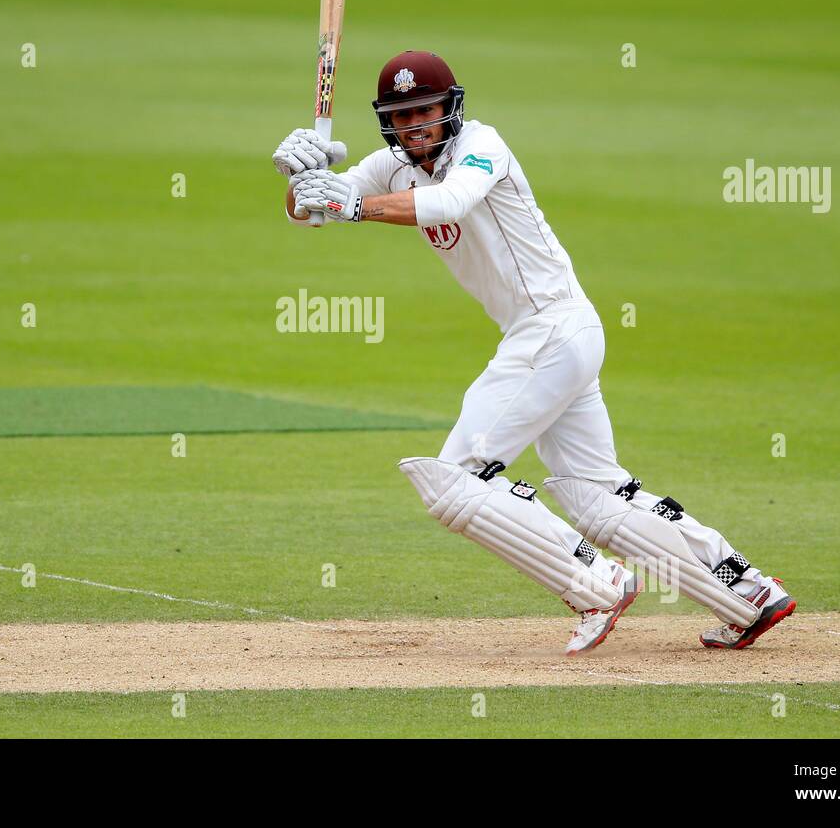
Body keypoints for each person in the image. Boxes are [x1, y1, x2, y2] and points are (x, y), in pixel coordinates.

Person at [273, 50, 795, 655]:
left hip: (552, 329)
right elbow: (310, 215)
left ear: (450, 109)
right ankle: (748, 593)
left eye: (426, 111)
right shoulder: (389, 168)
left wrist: (352, 205)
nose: (416, 125)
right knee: (595, 493)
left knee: (456, 479)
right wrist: (301, 176)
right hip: (553, 336)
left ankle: (597, 583)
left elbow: (448, 202)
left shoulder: (482, 145)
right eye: (402, 115)